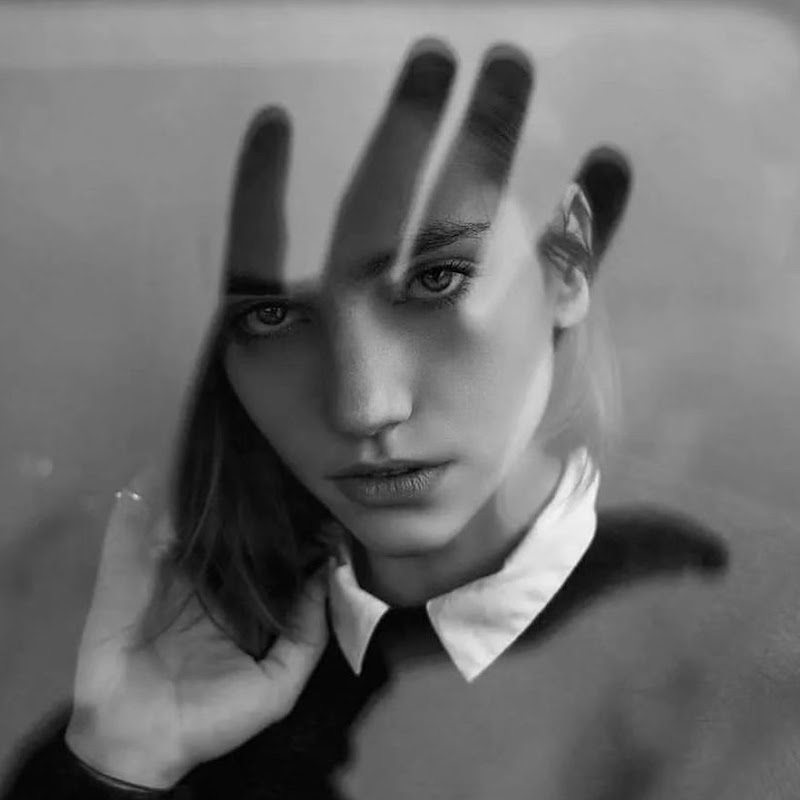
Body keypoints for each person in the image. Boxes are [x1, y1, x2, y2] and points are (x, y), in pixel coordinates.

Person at [4, 41, 800, 800]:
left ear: (566, 270)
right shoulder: (136, 608)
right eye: (276, 316)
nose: (362, 404)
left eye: (438, 280)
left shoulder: (744, 623)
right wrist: (123, 760)